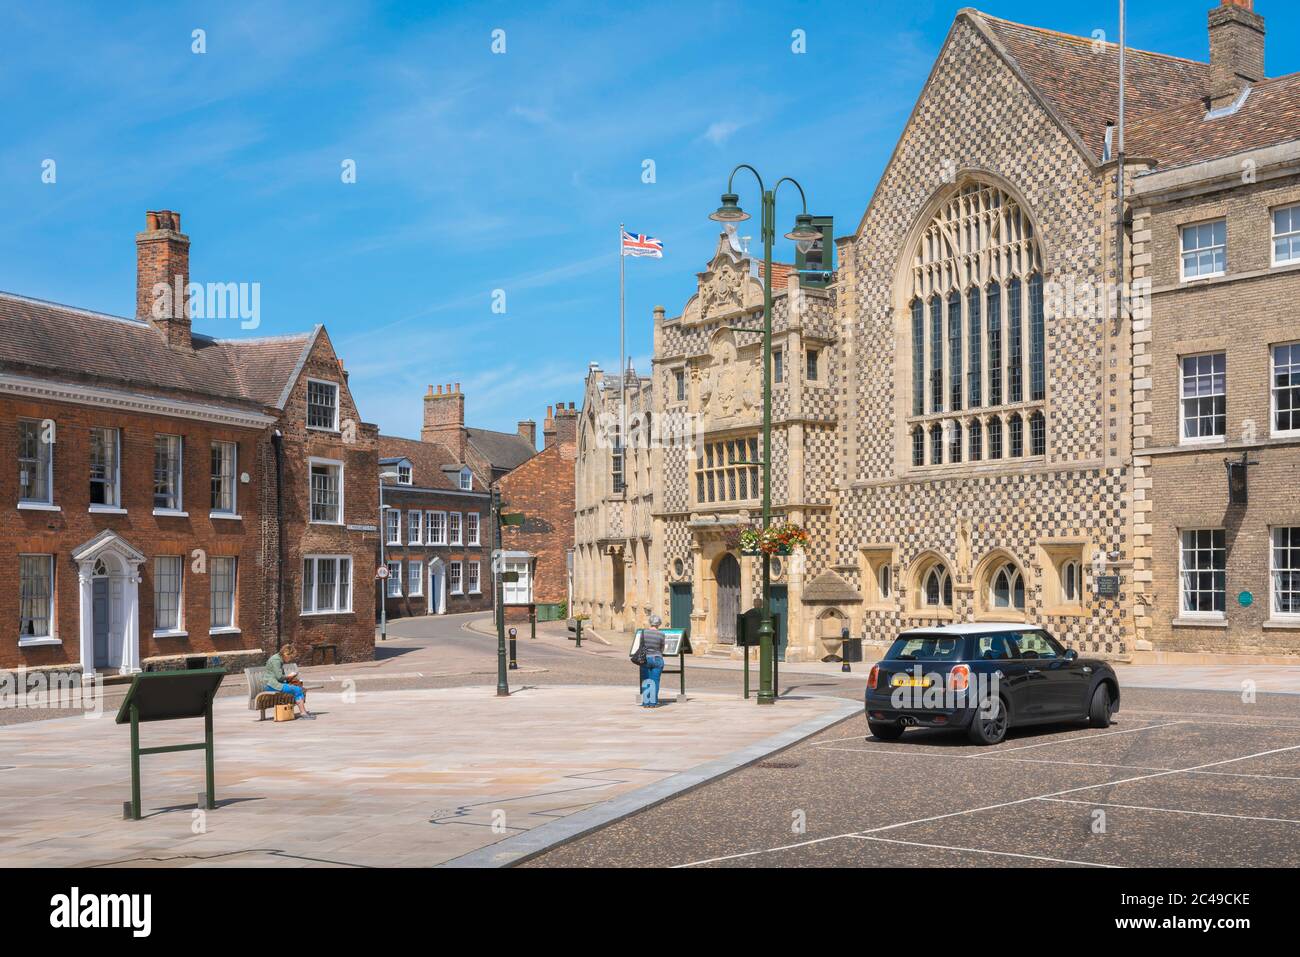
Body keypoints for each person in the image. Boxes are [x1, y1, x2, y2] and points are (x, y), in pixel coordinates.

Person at [265, 644, 313, 719]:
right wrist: (289, 676)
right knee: (297, 689)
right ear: (286, 654)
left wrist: (290, 678)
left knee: (298, 688)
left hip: (274, 684)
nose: (290, 659)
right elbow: (279, 677)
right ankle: (303, 713)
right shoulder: (276, 660)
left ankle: (303, 712)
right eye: (290, 657)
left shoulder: (278, 659)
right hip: (271, 685)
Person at [638, 615, 666, 708]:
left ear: (650, 622)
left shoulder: (644, 632)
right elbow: (662, 648)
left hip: (645, 658)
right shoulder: (661, 634)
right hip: (657, 658)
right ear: (659, 624)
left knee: (646, 680)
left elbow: (641, 646)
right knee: (655, 681)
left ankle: (646, 702)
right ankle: (653, 703)